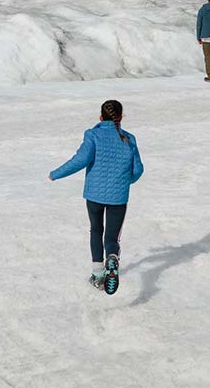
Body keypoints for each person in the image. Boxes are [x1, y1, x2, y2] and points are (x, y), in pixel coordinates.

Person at [48, 99, 144, 296]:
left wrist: (55, 174)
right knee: (111, 237)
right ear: (121, 117)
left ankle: (98, 275)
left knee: (95, 230)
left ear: (101, 117)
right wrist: (124, 181)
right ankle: (112, 257)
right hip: (118, 197)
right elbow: (138, 170)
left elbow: (80, 160)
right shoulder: (129, 139)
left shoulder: (93, 135)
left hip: (94, 195)